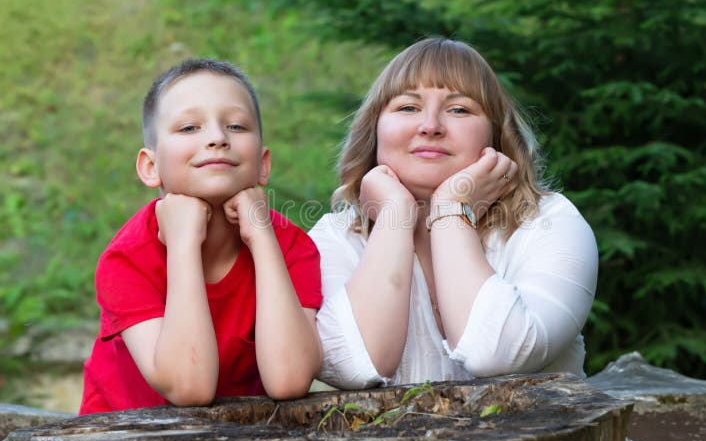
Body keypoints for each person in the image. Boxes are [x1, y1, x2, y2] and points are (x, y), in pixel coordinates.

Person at [310, 37, 598, 389]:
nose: (430, 125)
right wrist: (394, 217)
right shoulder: (336, 237)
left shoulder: (550, 222)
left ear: (496, 135)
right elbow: (356, 367)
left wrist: (451, 211)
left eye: (459, 109)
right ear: (374, 131)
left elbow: (495, 353)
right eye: (408, 108)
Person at [79, 59, 322, 415]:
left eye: (236, 126)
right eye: (190, 127)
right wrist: (182, 245)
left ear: (263, 164)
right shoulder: (128, 259)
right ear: (151, 167)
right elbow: (189, 386)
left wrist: (262, 238)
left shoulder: (292, 248)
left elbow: (289, 379)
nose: (217, 138)